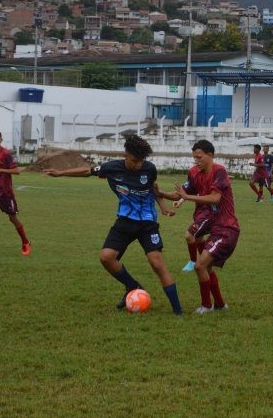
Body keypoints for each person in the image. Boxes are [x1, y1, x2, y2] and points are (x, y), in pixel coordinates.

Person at [43, 135, 183, 315]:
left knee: (157, 264)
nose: (139, 165)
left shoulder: (149, 169)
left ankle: (178, 311)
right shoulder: (112, 168)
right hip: (124, 221)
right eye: (134, 161)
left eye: (141, 161)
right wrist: (61, 173)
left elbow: (153, 188)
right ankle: (133, 286)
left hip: (147, 223)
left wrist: (163, 207)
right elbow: (88, 171)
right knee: (106, 257)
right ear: (126, 155)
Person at [157, 140, 240, 314]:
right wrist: (160, 193)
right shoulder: (195, 173)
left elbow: (215, 198)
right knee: (205, 267)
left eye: (199, 157)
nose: (196, 161)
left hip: (227, 229)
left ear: (210, 155)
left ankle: (206, 306)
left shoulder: (219, 171)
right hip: (216, 228)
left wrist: (187, 197)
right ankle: (219, 304)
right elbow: (181, 194)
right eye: (194, 157)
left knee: (200, 266)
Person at [172, 194, 213, 274]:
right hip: (199, 212)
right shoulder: (196, 181)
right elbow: (191, 189)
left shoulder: (213, 182)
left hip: (208, 213)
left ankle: (193, 262)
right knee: (199, 237)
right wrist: (180, 201)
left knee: (189, 235)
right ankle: (205, 262)